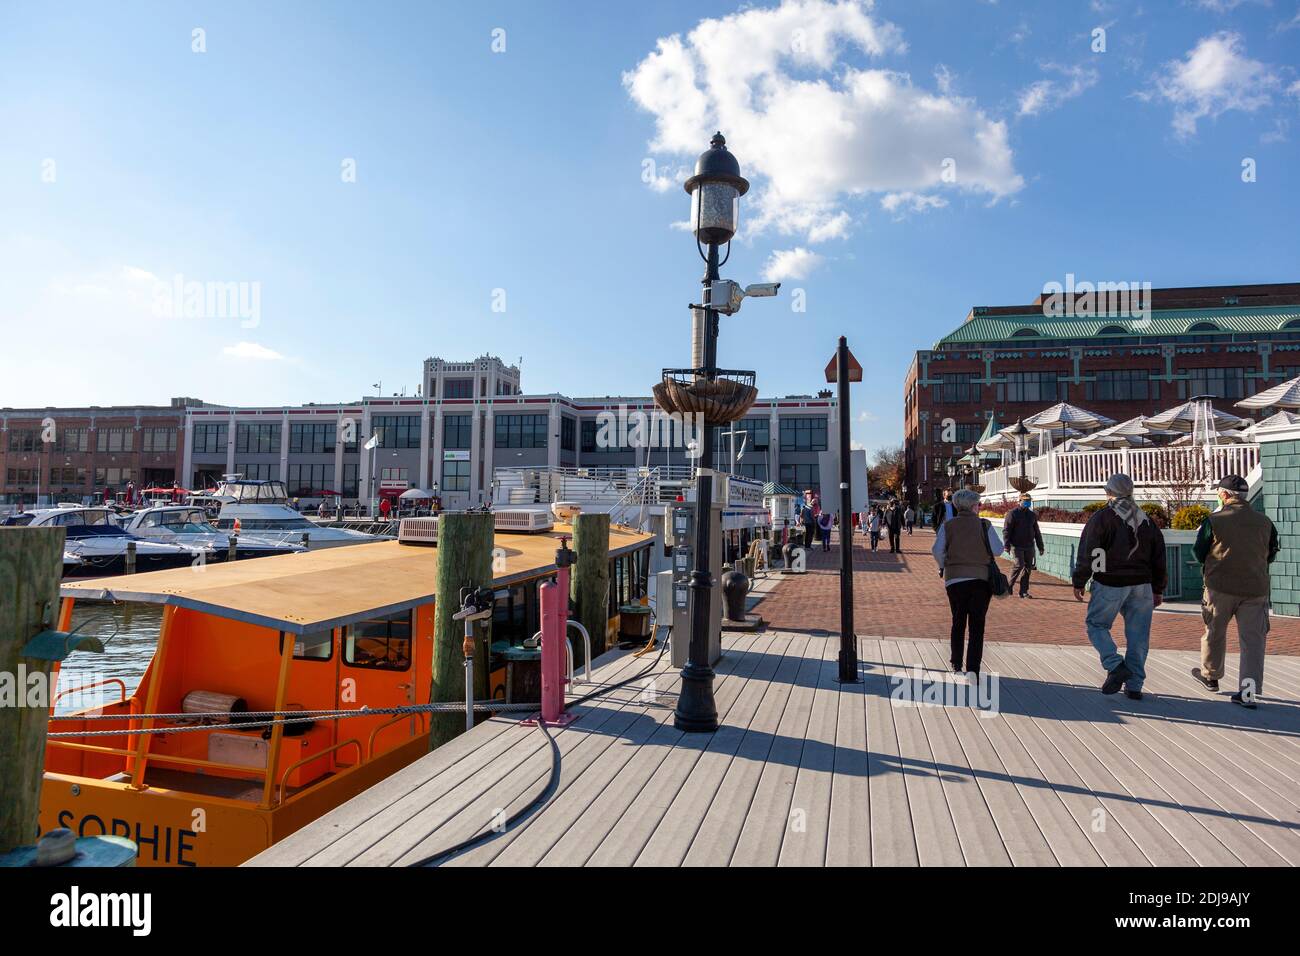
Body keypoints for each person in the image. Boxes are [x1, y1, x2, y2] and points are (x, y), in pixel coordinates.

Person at [1071, 474, 1166, 700]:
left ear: (1109, 492)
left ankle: (1115, 665)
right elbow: (1158, 557)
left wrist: (1081, 579)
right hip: (1142, 585)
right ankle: (1134, 685)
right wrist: (1158, 588)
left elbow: (1093, 552)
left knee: (1096, 624)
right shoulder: (1146, 520)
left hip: (1111, 582)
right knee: (1138, 636)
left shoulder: (1103, 518)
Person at [1191, 475, 1280, 709]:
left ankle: (1211, 677)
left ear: (1225, 495)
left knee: (1214, 632)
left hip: (1220, 587)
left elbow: (1199, 551)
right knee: (1253, 641)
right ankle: (1248, 691)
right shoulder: (1265, 522)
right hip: (1255, 588)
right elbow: (1271, 554)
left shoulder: (1214, 520)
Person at [932, 488, 1003, 677]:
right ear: (973, 506)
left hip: (954, 579)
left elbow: (937, 550)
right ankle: (973, 669)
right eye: (978, 504)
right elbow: (998, 550)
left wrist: (945, 564)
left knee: (958, 621)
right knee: (977, 625)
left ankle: (956, 662)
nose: (979, 508)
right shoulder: (984, 525)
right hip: (980, 579)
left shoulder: (948, 526)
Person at [1003, 493, 1045, 598]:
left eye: (1029, 500)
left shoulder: (1032, 515)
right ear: (1020, 501)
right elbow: (1006, 530)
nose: (1027, 502)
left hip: (1029, 545)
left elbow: (1037, 531)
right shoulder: (1012, 514)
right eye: (1025, 500)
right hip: (1016, 545)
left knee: (1028, 568)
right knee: (1019, 565)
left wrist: (1041, 546)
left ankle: (1023, 591)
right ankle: (1009, 586)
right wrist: (1006, 545)